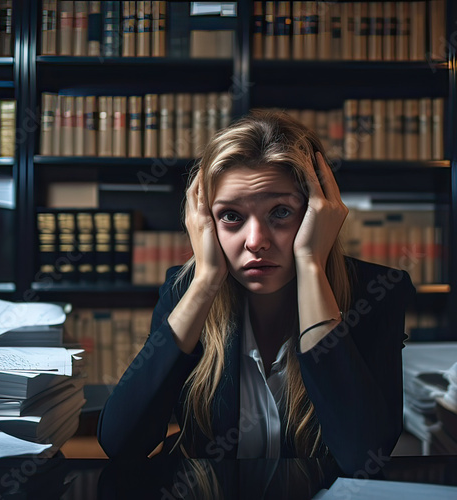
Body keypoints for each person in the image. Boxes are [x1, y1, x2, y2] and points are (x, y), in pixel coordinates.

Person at [98, 109, 414, 475]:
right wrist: (205, 282)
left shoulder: (376, 295)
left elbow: (366, 457)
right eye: (231, 216)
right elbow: (120, 444)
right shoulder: (183, 290)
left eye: (280, 212)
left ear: (319, 212)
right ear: (204, 222)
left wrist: (311, 264)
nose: (256, 242)